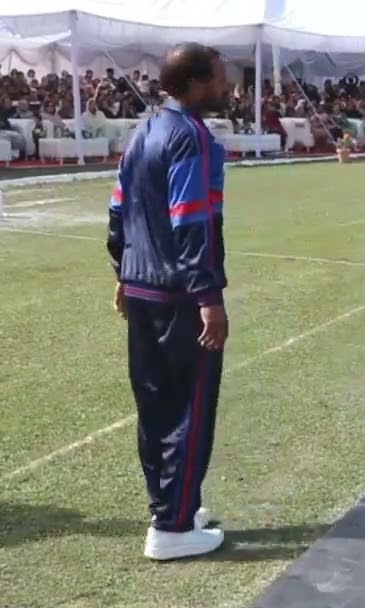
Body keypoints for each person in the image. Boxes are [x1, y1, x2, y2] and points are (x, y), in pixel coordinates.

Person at [107, 43, 229, 561]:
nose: (227, 86)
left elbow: (119, 209)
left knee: (156, 405)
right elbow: (191, 221)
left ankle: (173, 507)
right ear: (197, 81)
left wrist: (121, 271)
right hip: (179, 295)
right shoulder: (191, 137)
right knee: (188, 406)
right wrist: (209, 297)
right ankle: (173, 528)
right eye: (221, 78)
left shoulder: (144, 130)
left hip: (141, 287)